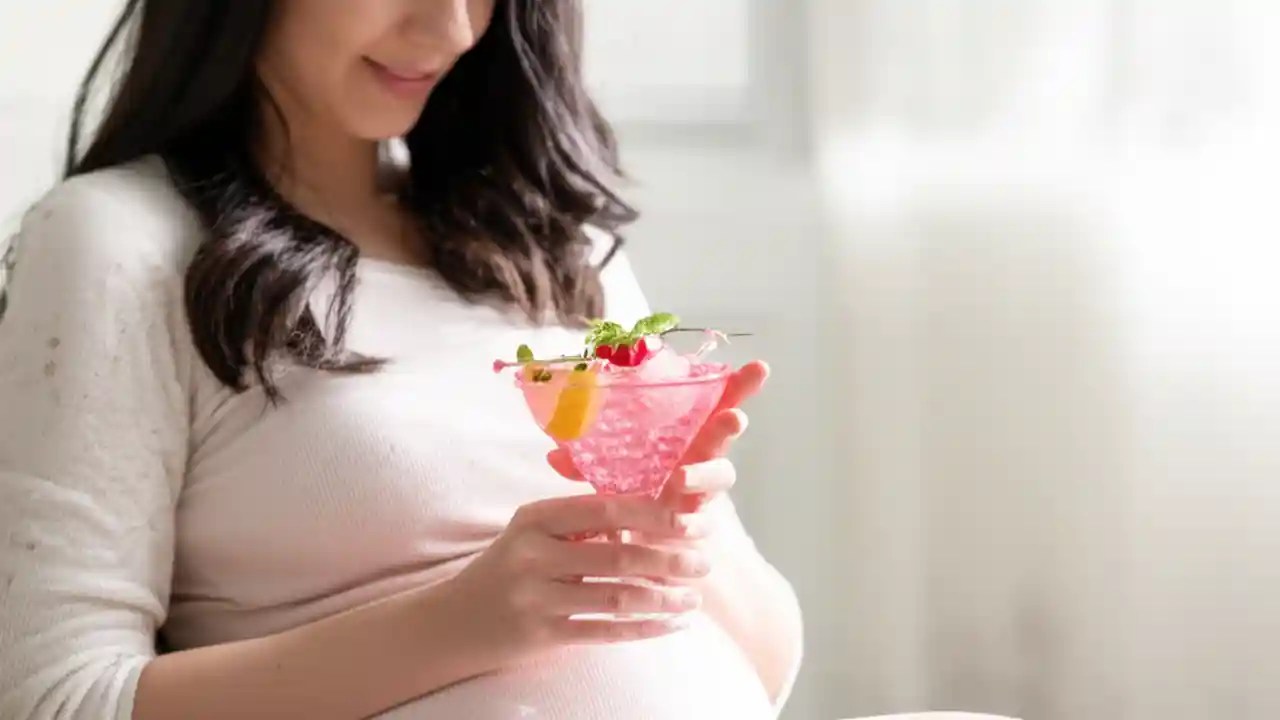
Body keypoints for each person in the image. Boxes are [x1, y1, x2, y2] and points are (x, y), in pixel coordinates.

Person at [0, 1, 803, 718]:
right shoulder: (120, 242)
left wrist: (682, 532)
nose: (452, 28)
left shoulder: (554, 242)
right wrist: (456, 625)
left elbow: (765, 671)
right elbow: (58, 697)